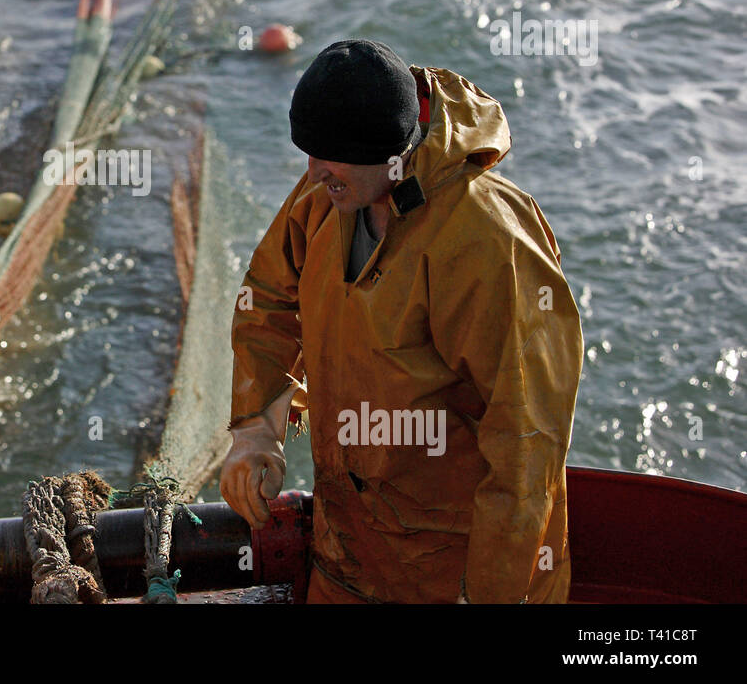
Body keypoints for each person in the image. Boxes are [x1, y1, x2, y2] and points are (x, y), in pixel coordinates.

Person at [221, 39, 583, 603]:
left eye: (330, 158)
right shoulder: (333, 189)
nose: (313, 173)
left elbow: (525, 444)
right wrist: (256, 429)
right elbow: (267, 297)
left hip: (448, 568)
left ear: (391, 152)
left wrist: (491, 592)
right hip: (346, 548)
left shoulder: (489, 242)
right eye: (310, 154)